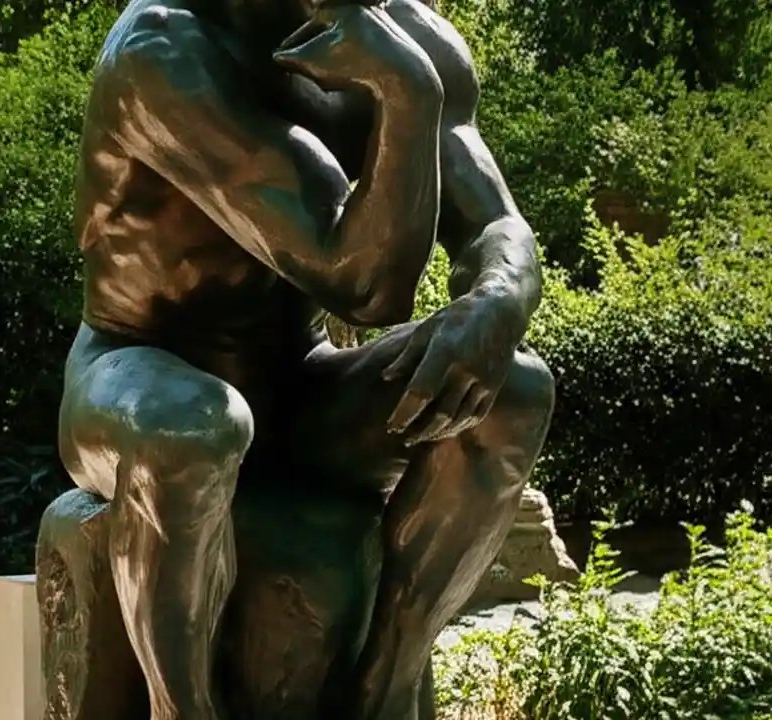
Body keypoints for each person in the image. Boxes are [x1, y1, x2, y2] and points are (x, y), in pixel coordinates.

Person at [56, 0, 555, 717]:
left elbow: (498, 223)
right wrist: (408, 94)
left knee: (512, 390)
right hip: (136, 370)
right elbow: (362, 284)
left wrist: (500, 299)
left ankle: (383, 690)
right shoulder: (163, 49)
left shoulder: (404, 38)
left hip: (294, 384)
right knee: (194, 426)